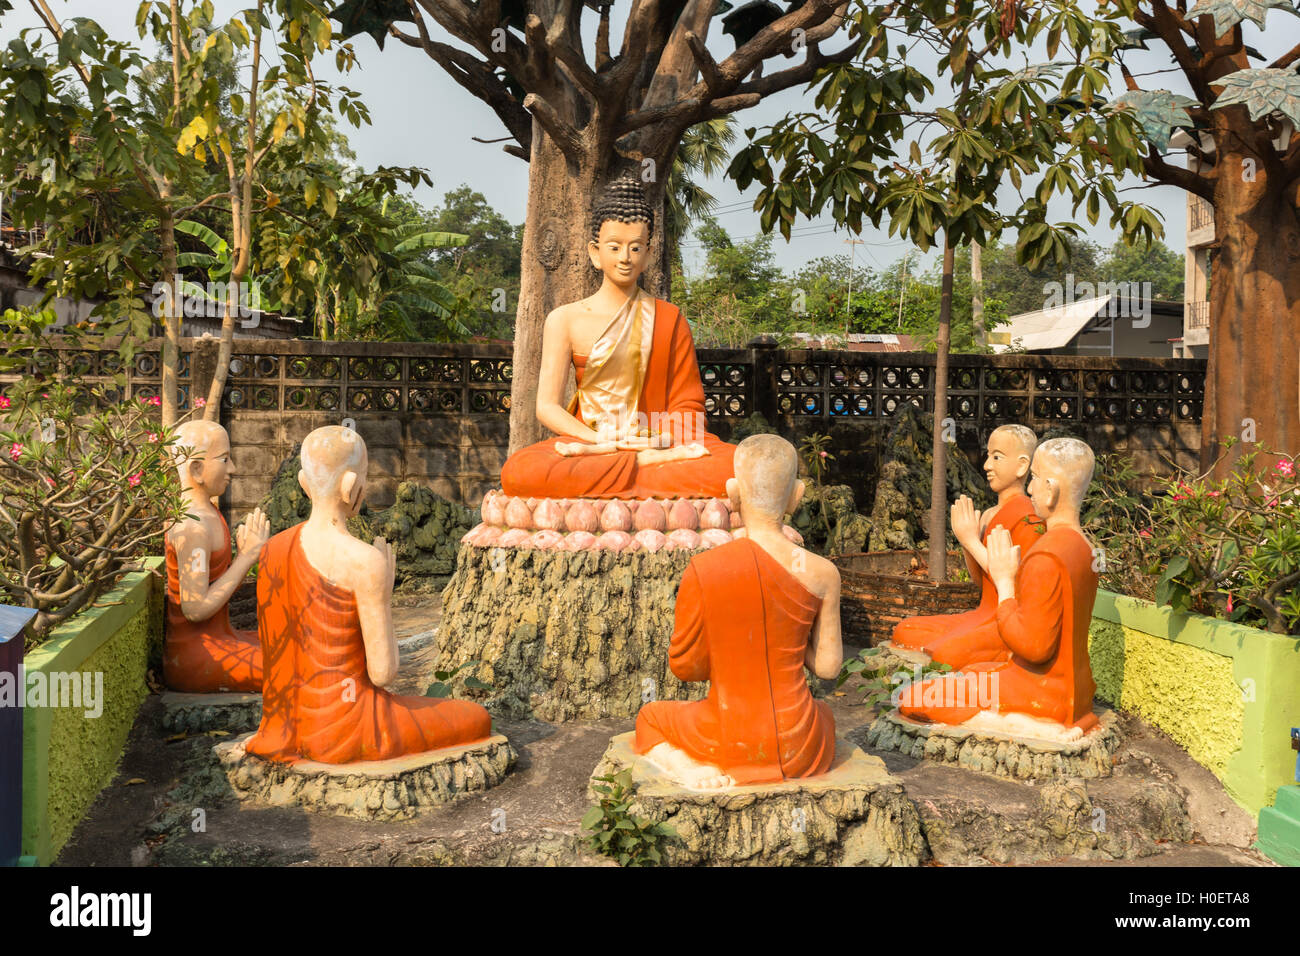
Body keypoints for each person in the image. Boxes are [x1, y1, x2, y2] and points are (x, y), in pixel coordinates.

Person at [247, 426, 492, 763]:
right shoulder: (364, 560)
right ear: (351, 486)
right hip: (350, 727)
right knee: (475, 716)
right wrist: (383, 597)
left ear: (304, 483)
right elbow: (383, 673)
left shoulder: (272, 549)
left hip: (287, 725)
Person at [499, 175, 735, 500]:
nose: (625, 257)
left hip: (658, 444)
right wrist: (599, 441)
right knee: (521, 471)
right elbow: (547, 407)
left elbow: (688, 406)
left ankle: (641, 469)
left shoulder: (669, 318)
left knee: (736, 464)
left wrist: (655, 440)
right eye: (614, 246)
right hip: (591, 445)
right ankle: (644, 476)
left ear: (649, 254)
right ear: (595, 253)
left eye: (635, 247)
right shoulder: (564, 319)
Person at [633, 435, 841, 788]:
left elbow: (686, 669)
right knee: (825, 716)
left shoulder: (706, 568)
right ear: (797, 496)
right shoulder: (823, 572)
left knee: (649, 718)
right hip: (800, 744)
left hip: (725, 737)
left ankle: (685, 766)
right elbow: (827, 667)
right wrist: (793, 637)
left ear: (732, 493)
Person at [896, 437, 1102, 735]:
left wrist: (1006, 584)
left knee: (913, 696)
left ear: (1052, 489)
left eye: (1034, 479)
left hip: (1044, 691)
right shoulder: (1084, 547)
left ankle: (1020, 721)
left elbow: (1033, 646)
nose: (1030, 488)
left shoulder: (1047, 554)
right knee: (969, 672)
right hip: (1075, 690)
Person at [892, 424, 1042, 669]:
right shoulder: (989, 514)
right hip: (982, 613)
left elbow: (1015, 588)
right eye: (988, 455)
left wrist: (972, 541)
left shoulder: (1029, 517)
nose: (986, 466)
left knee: (946, 655)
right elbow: (979, 582)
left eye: (996, 457)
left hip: (1006, 619)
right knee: (905, 630)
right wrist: (966, 540)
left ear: (1022, 465)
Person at [163, 420, 265, 694]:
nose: (232, 468)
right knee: (298, 666)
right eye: (225, 459)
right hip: (198, 656)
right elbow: (194, 610)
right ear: (196, 469)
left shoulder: (207, 512)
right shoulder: (192, 527)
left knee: (293, 646)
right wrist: (247, 557)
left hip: (222, 639)